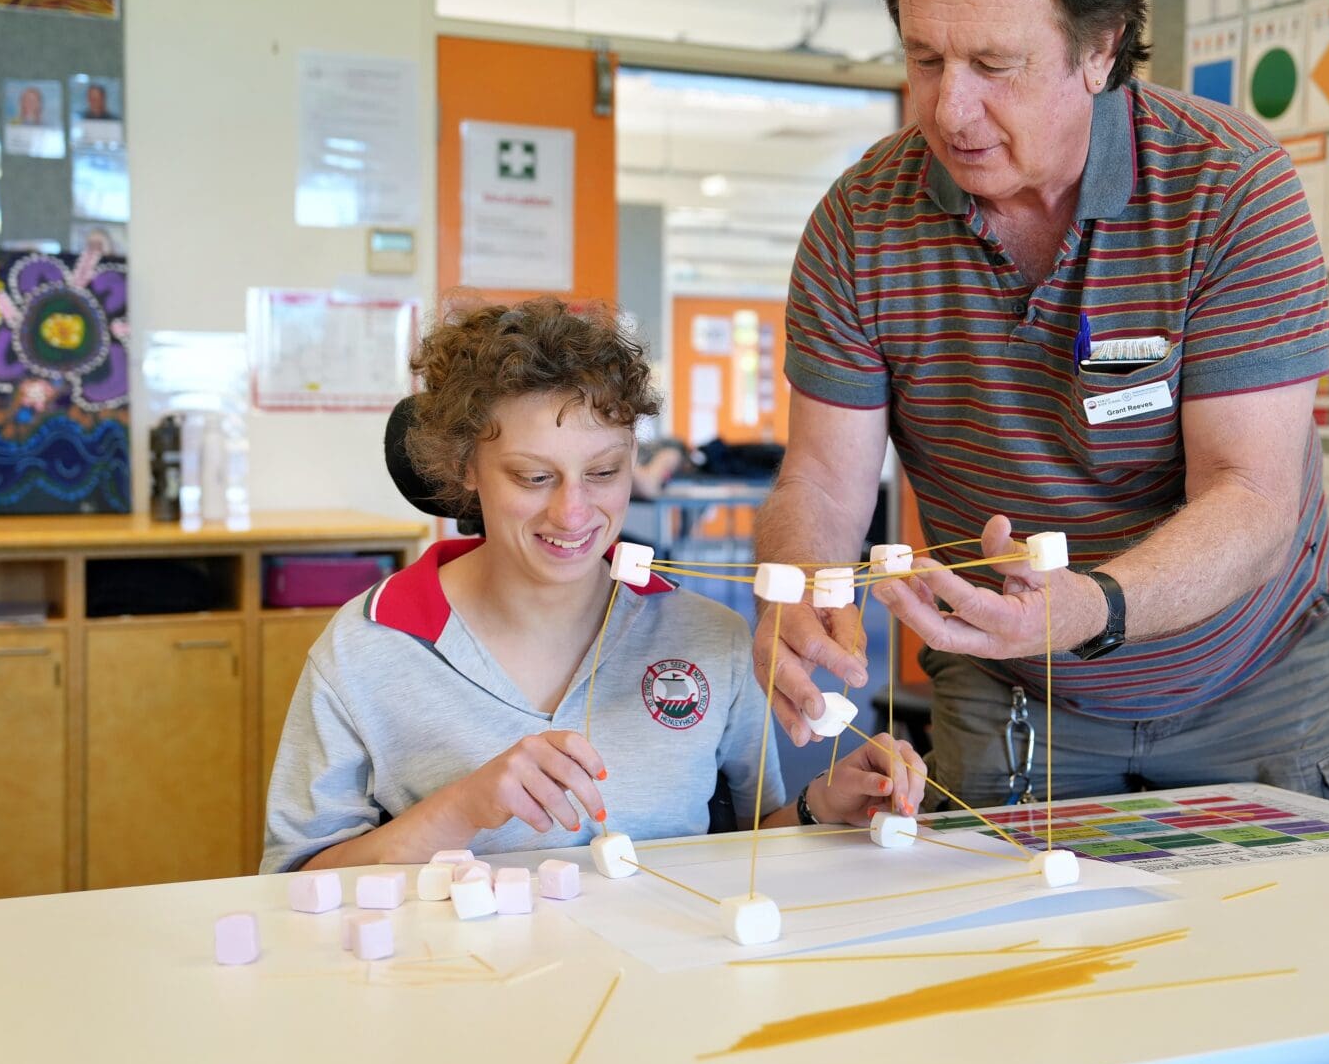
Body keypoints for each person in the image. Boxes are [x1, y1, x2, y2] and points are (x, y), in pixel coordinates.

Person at [753, 0, 1329, 810]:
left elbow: (1253, 498)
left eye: (995, 65)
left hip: (1254, 683)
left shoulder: (1228, 188)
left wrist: (1091, 606)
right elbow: (825, 479)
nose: (950, 109)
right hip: (1014, 689)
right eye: (925, 60)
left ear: (1099, 49)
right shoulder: (860, 221)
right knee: (1005, 949)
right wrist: (794, 590)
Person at [263, 298, 924, 873]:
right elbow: (294, 883)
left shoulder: (710, 639)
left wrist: (822, 807)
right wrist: (460, 810)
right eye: (533, 478)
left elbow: (745, 855)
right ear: (466, 467)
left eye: (603, 473)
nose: (574, 515)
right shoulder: (366, 648)